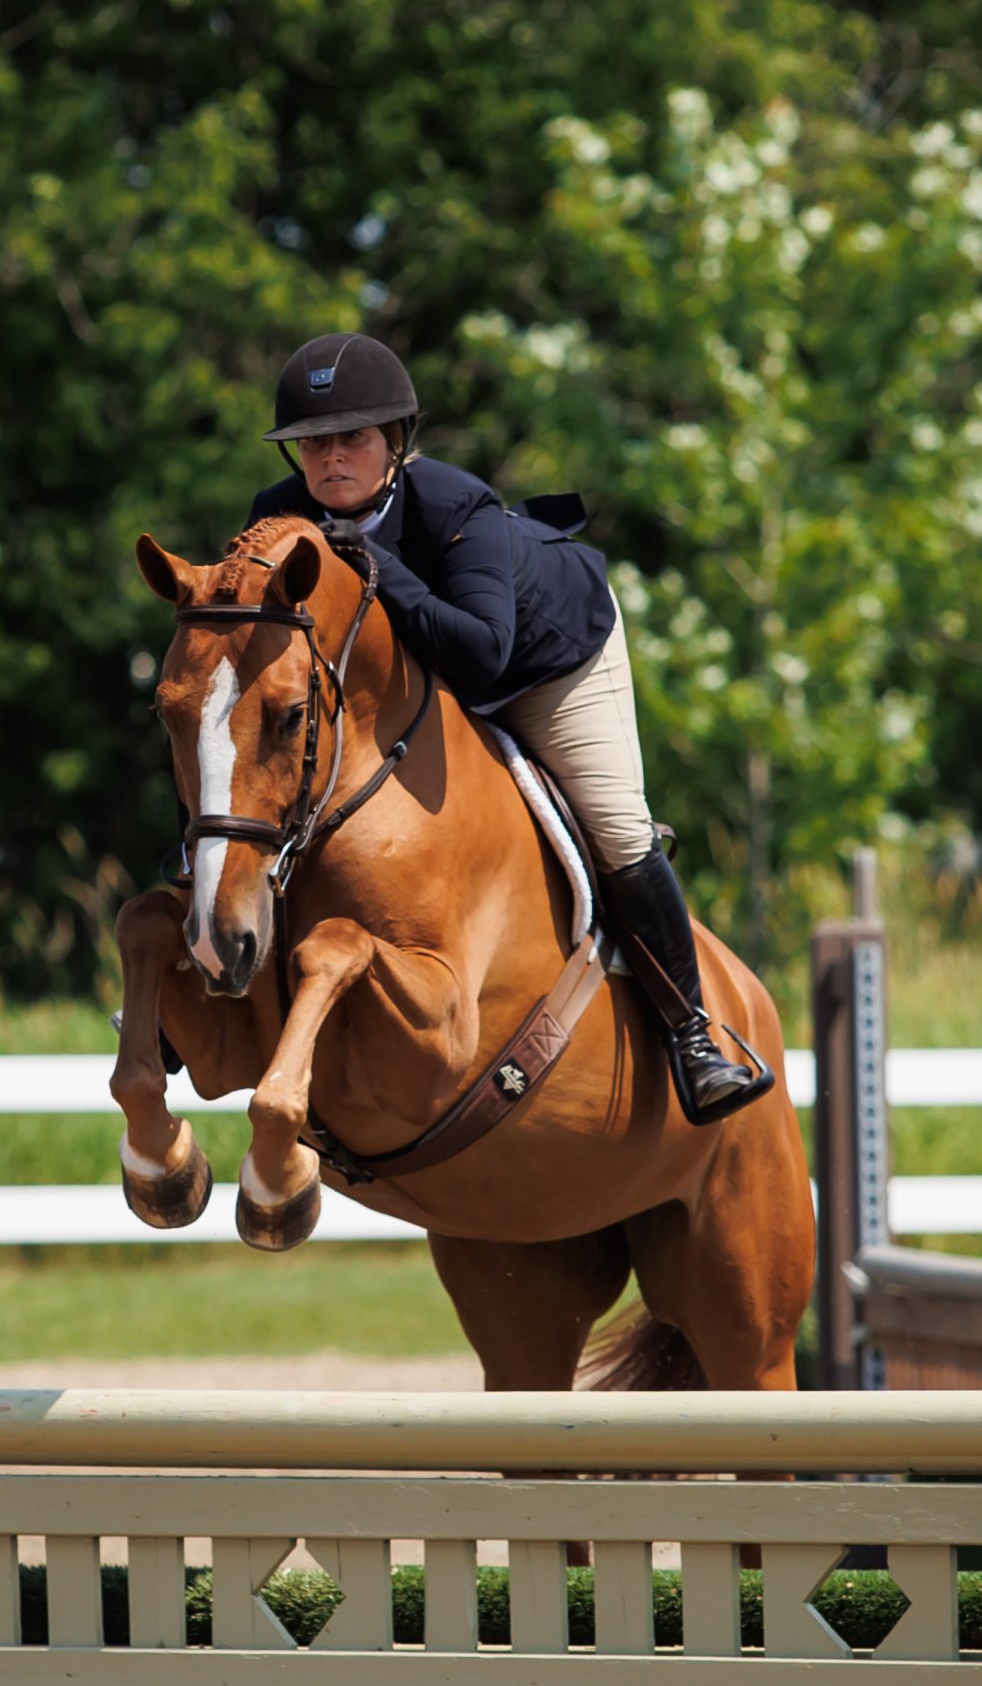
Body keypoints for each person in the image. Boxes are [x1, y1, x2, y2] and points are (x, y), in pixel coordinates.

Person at [245, 332, 769, 1124]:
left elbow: (484, 656)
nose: (332, 457)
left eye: (353, 437)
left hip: (545, 663)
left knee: (617, 826)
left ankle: (693, 1038)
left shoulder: (457, 507)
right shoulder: (277, 517)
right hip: (422, 680)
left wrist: (379, 566)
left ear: (396, 442)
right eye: (313, 443)